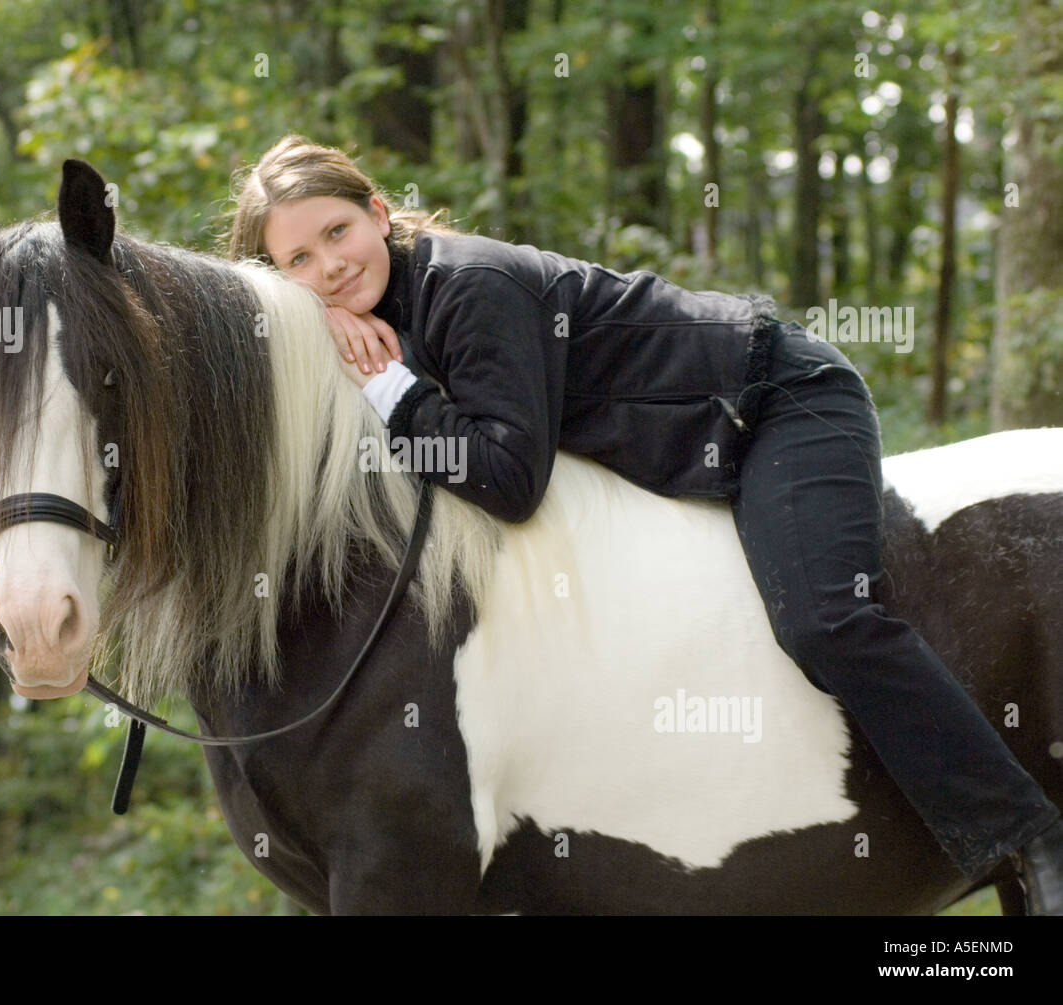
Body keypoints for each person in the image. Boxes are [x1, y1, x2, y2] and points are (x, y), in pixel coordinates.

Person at [224, 132, 1063, 914]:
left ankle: (1027, 835)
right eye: (298, 257)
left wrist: (398, 397)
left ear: (377, 213)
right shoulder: (371, 331)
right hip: (692, 450)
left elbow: (509, 478)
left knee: (828, 617)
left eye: (337, 231)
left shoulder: (468, 286)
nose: (330, 266)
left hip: (775, 401)